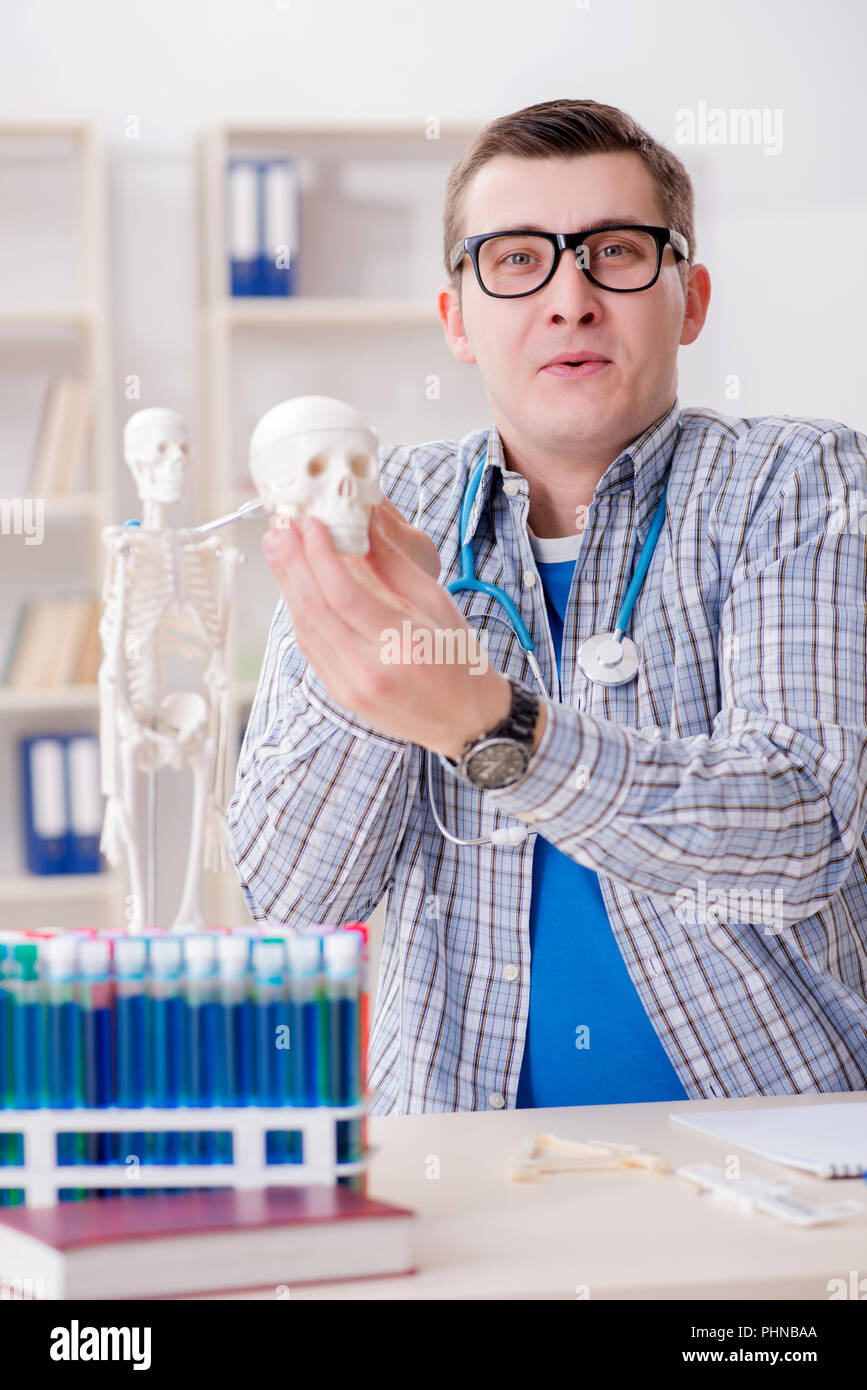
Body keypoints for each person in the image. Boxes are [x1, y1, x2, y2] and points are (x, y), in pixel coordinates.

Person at [228, 98, 867, 1115]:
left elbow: (808, 828)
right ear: (458, 321)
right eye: (517, 260)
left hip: (776, 1153)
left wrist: (493, 725)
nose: (570, 298)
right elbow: (293, 898)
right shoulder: (379, 517)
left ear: (689, 299)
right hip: (471, 1175)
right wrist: (376, 675)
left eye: (615, 251)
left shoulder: (798, 483)